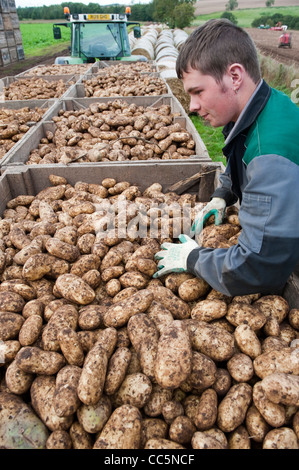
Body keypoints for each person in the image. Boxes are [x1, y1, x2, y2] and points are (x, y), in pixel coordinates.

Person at [153, 19, 299, 297]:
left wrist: (192, 259)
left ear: (234, 76)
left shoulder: (271, 155)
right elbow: (241, 155)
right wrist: (223, 193)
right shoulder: (262, 107)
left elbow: (261, 266)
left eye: (198, 92)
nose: (193, 107)